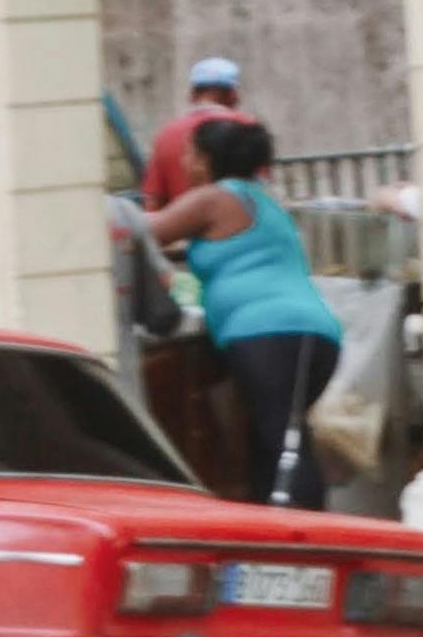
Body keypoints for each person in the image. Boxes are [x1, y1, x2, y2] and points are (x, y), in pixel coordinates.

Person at [143, 117, 343, 507]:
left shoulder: (213, 198)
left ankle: (304, 534)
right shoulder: (261, 199)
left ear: (206, 159)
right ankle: (276, 529)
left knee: (281, 440)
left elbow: (148, 228)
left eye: (189, 153)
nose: (183, 161)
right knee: (277, 438)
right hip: (311, 332)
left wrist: (105, 210)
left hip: (269, 334)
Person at [140, 56, 250, 210]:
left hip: (179, 224)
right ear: (233, 94)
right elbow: (260, 192)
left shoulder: (166, 134)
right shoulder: (247, 129)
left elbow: (153, 202)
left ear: (192, 94)